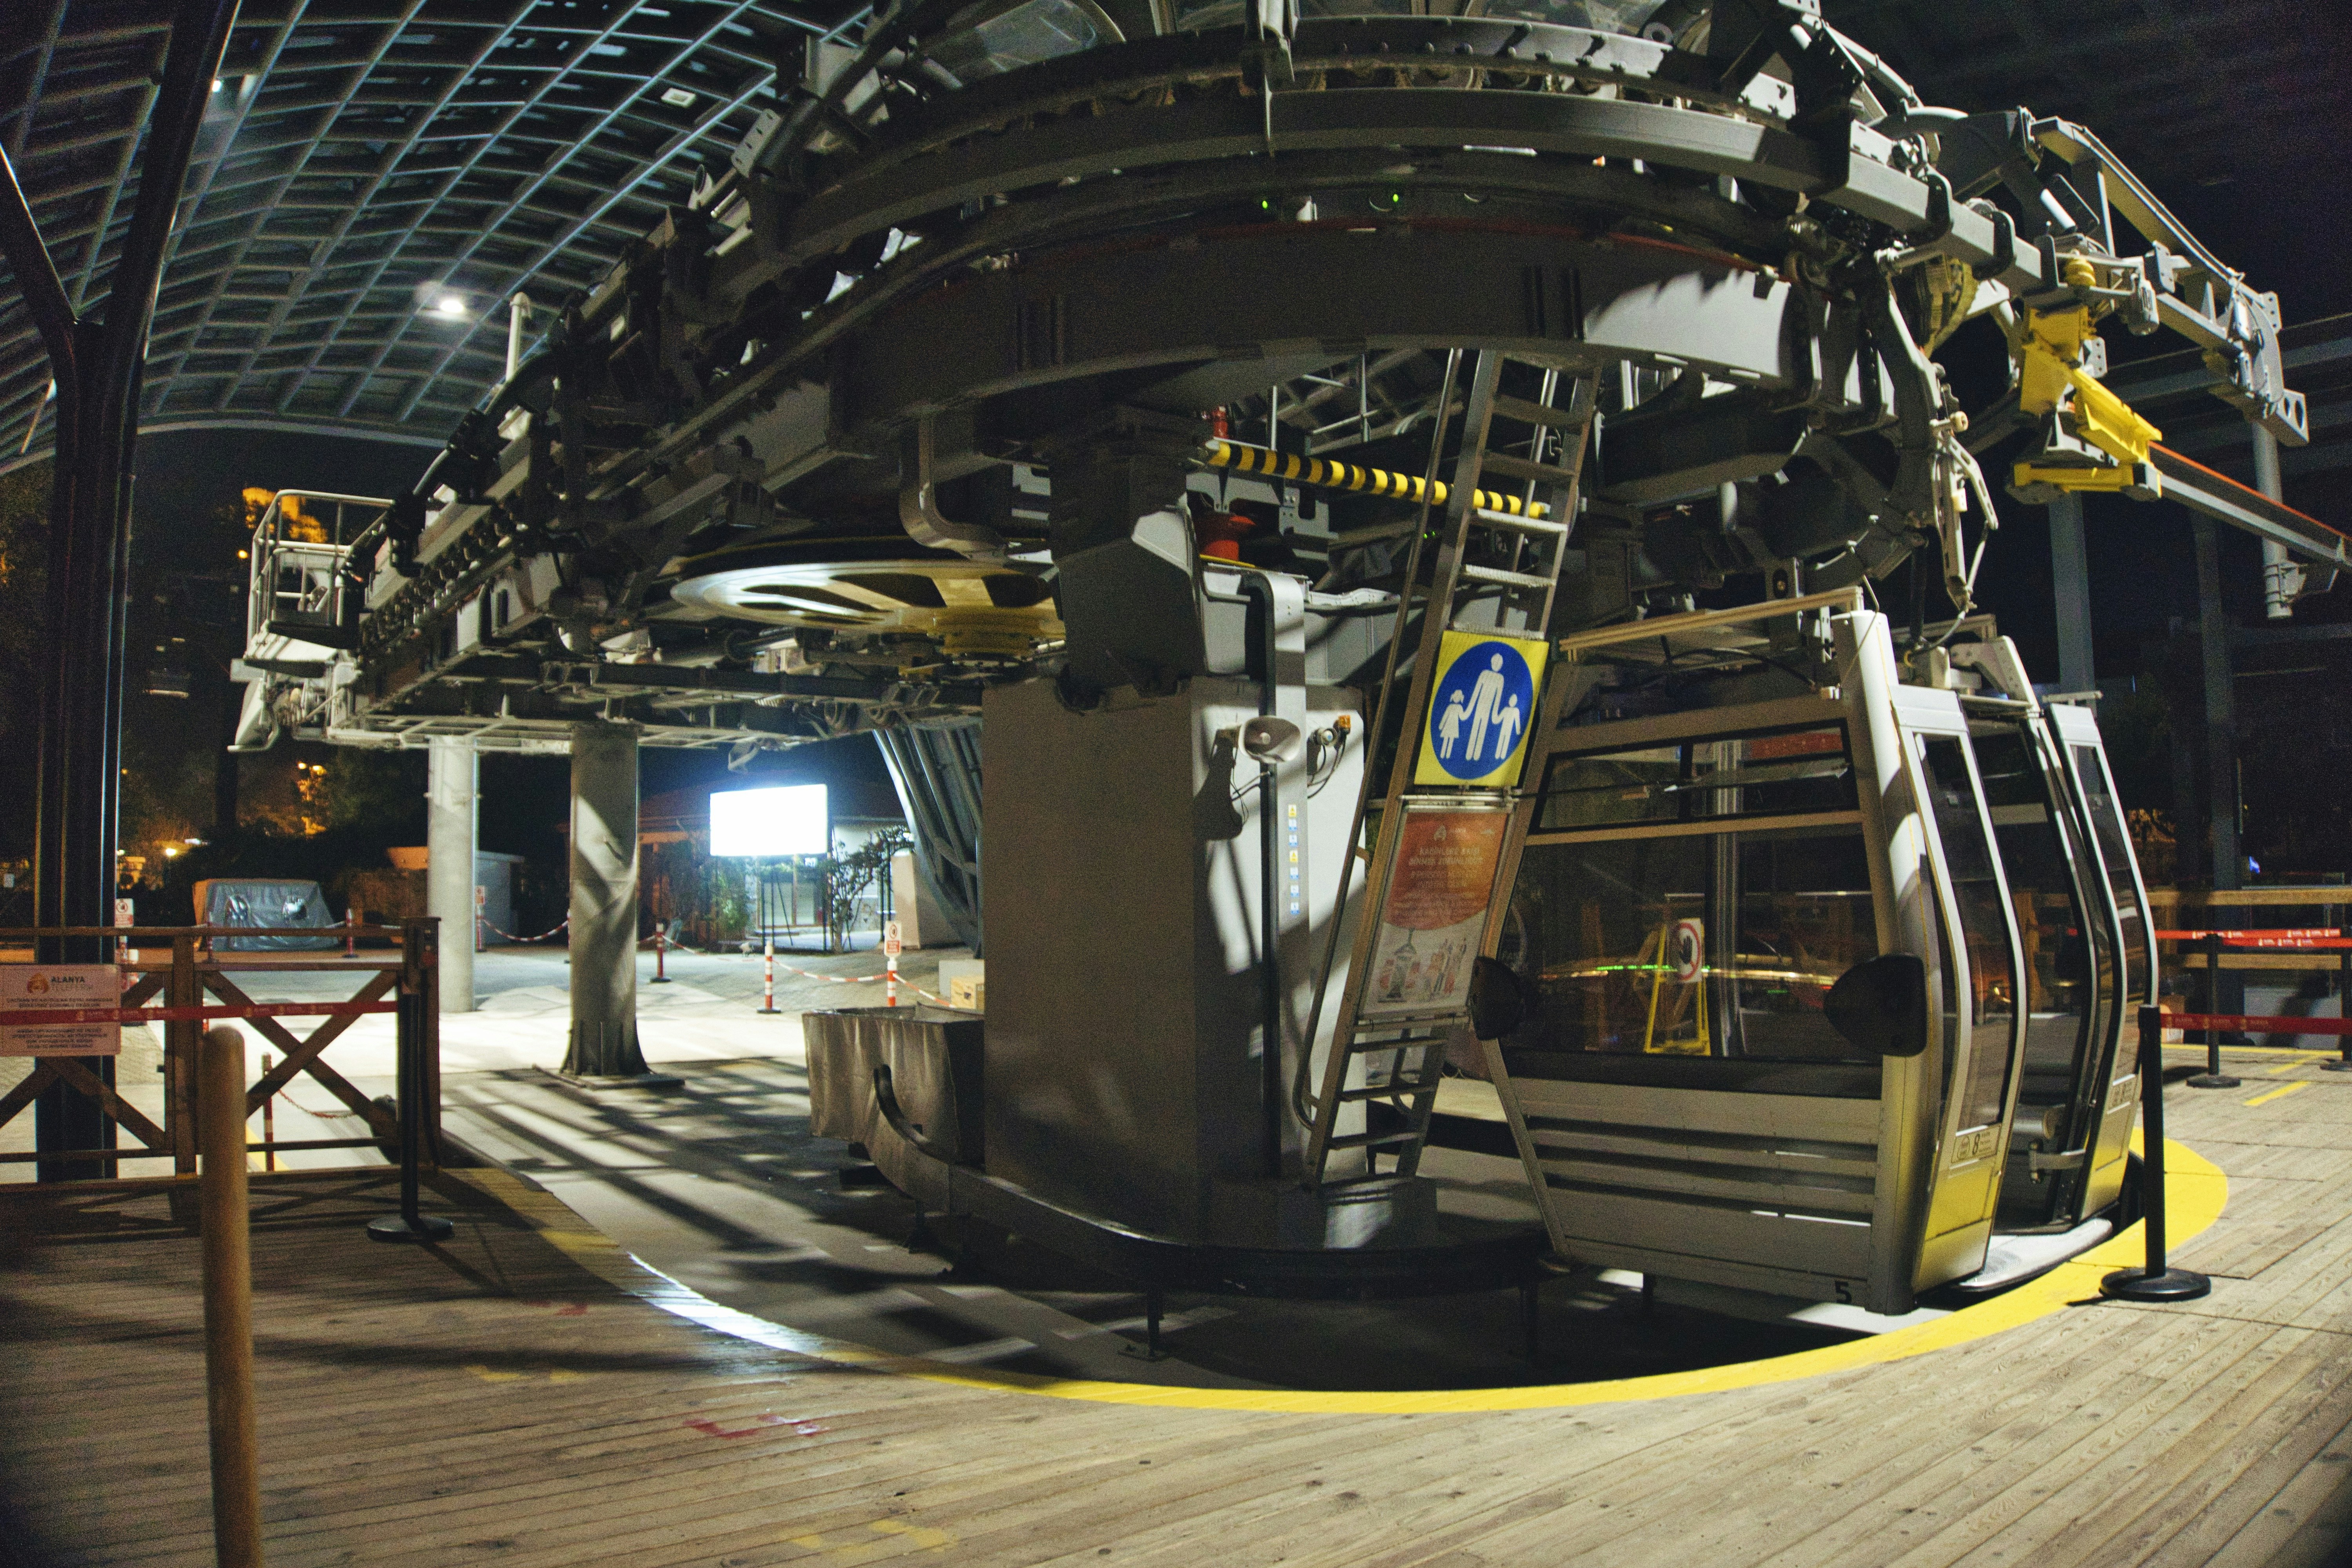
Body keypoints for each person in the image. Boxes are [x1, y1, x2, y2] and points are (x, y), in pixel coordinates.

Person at [1465, 652, 1507, 760]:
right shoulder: (1484, 674)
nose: (1497, 665)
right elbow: (1476, 693)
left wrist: (1495, 715)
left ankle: (1477, 755)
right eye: (1495, 663)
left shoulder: (1500, 679)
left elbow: (1498, 698)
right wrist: (1469, 709)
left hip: (1488, 709)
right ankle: (1469, 753)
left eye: (1499, 664)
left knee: (1483, 729)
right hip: (1480, 706)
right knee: (1475, 727)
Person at [1436, 689, 1469, 759]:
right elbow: (1445, 716)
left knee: (1451, 740)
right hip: (1448, 725)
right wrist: (1441, 725)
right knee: (1446, 739)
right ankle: (1442, 755)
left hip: (1454, 726)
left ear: (1461, 698)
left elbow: (1462, 717)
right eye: (1456, 697)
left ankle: (1448, 755)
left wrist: (1468, 713)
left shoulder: (1460, 707)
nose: (1457, 698)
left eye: (1458, 697)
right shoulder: (1450, 707)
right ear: (1453, 697)